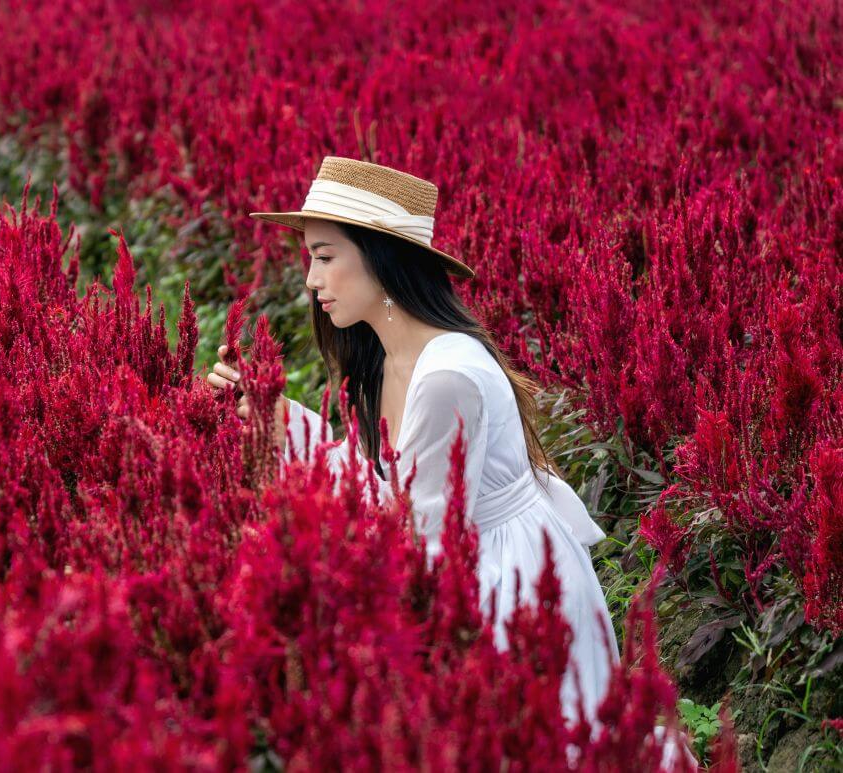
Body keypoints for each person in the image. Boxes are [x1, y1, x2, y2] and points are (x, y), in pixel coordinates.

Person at [206, 156, 621, 728]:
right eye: (311, 259)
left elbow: (420, 539)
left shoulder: (445, 375)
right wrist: (274, 416)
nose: (311, 280)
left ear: (381, 259)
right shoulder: (391, 356)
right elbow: (388, 489)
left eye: (325, 258)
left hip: (511, 592)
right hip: (470, 563)